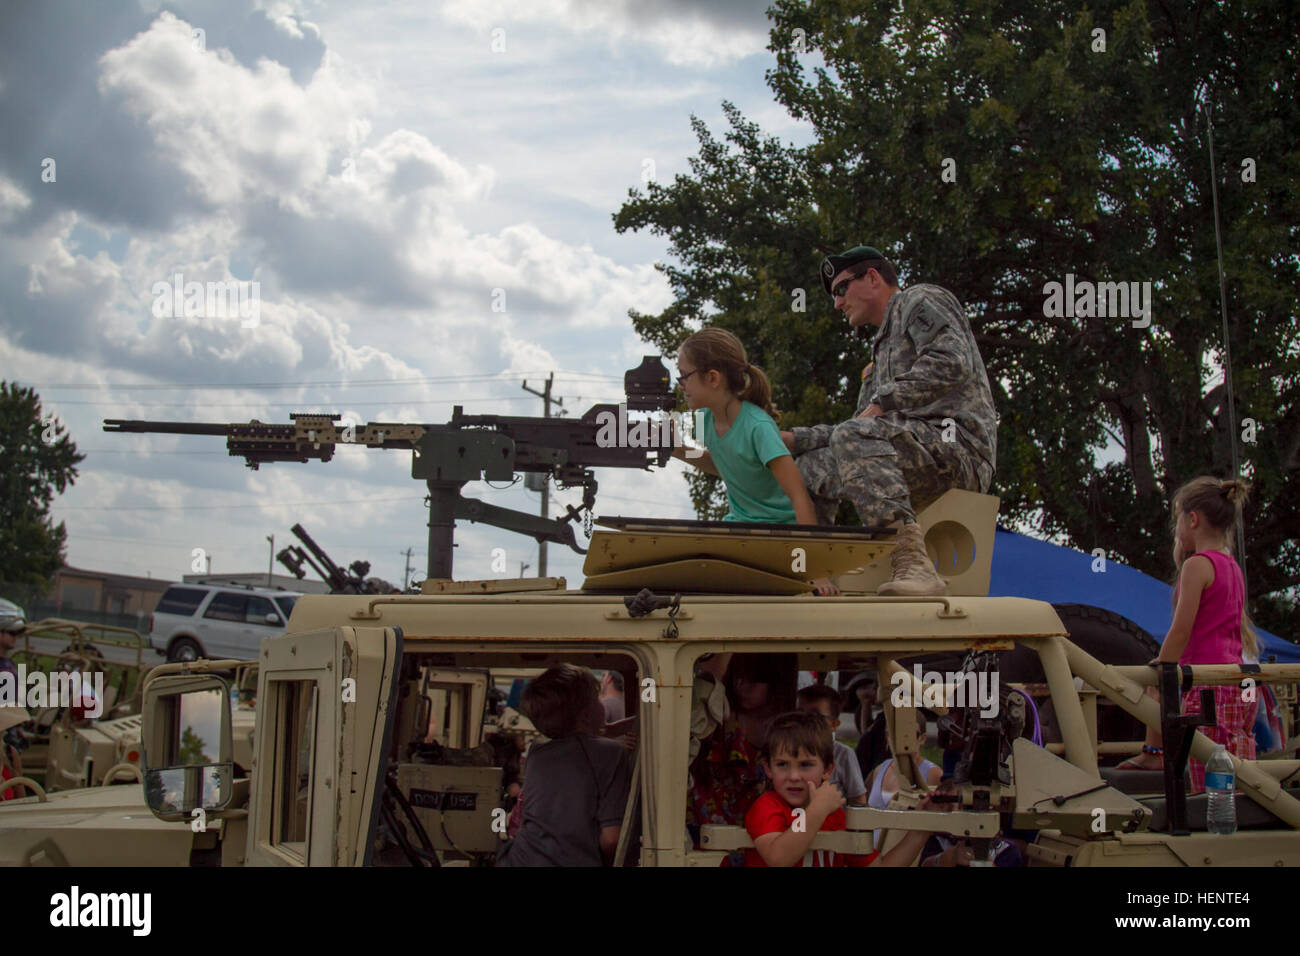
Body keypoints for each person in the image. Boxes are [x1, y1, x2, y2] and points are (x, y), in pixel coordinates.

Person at [779, 246, 997, 596]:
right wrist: (795, 439)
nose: (837, 303)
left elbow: (954, 361)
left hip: (958, 449)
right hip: (910, 449)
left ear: (873, 278)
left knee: (854, 436)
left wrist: (884, 401)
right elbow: (857, 432)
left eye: (840, 290)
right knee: (805, 469)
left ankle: (913, 564)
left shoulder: (918, 300)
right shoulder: (879, 355)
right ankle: (818, 573)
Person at [1116, 477, 1259, 794]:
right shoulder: (1231, 566)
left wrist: (1162, 666)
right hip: (1235, 682)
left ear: (1192, 519)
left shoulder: (1198, 565)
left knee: (1207, 778)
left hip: (1208, 685)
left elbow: (1181, 629)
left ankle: (1156, 756)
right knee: (1231, 773)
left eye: (1178, 519)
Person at [674, 327, 836, 595]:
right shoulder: (703, 421)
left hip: (779, 533)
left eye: (684, 376)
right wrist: (676, 449)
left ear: (712, 378)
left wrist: (815, 572)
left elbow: (798, 497)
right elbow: (721, 463)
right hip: (739, 526)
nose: (680, 385)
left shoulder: (758, 427)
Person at [744, 711, 932, 867]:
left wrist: (921, 831)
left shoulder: (834, 817)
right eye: (783, 764)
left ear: (827, 769)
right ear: (768, 768)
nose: (794, 776)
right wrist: (818, 810)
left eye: (805, 765)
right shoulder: (768, 806)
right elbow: (778, 858)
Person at [496, 664, 632, 866]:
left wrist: (604, 731)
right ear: (586, 713)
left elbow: (577, 741)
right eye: (596, 699)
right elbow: (611, 839)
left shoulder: (537, 751)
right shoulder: (612, 754)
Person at [863, 709, 943, 848]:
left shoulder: (933, 774)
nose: (901, 740)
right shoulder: (879, 770)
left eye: (909, 734)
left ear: (922, 739)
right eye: (894, 734)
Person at [796, 683, 867, 805]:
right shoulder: (787, 750)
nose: (804, 721)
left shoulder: (843, 754)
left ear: (834, 725)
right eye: (799, 714)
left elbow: (858, 800)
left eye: (814, 716)